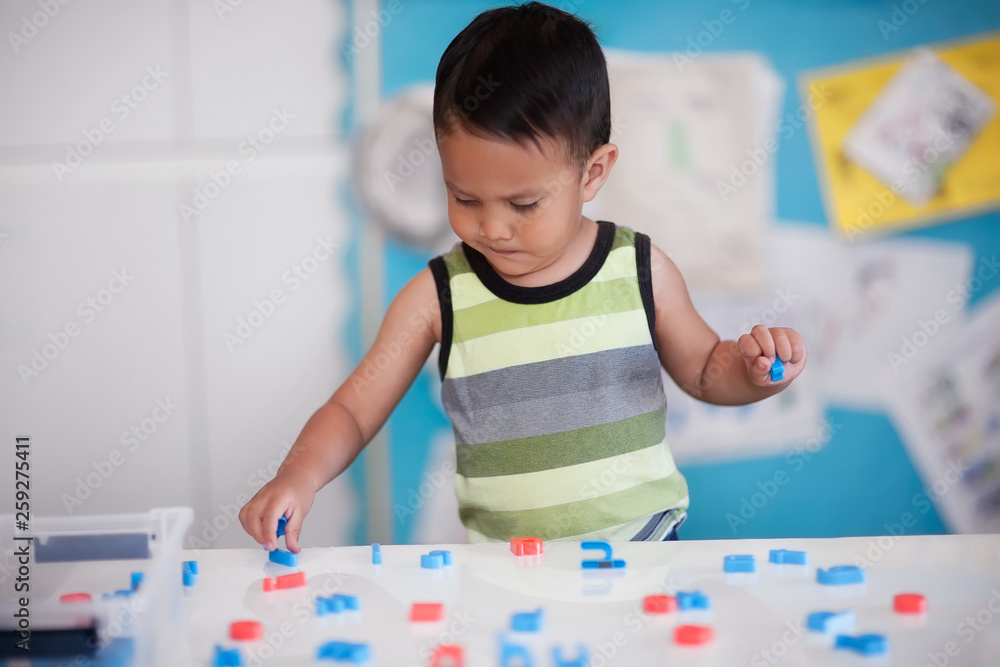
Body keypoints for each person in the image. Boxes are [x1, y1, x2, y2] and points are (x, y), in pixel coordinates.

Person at [239, 1, 807, 552]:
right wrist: (299, 475)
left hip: (643, 552)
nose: (492, 227)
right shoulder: (437, 297)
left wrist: (756, 373)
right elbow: (353, 409)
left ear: (594, 172)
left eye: (524, 204)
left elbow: (708, 372)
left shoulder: (640, 269)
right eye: (464, 197)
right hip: (506, 573)